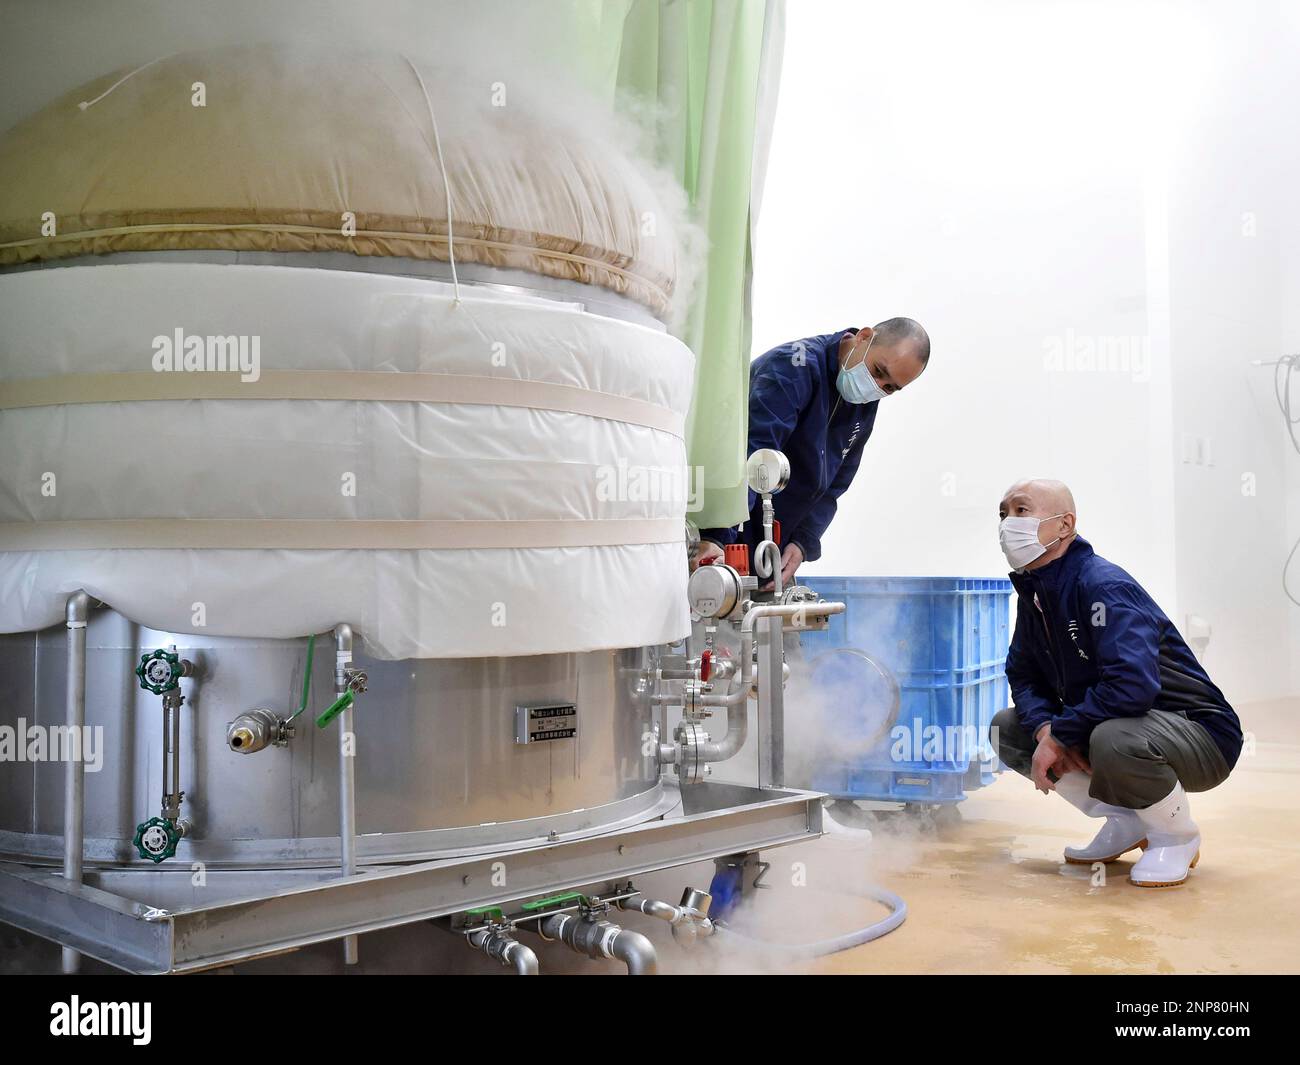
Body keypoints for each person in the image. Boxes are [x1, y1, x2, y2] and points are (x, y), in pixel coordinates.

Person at [989, 478, 1244, 887]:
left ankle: (1175, 836)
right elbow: (1022, 673)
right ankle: (1126, 821)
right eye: (1002, 514)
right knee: (1009, 729)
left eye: (1021, 510)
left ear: (1064, 524)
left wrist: (1060, 737)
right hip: (1126, 724)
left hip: (1200, 734)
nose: (1007, 523)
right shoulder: (1036, 595)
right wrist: (1042, 729)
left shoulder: (1102, 585)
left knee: (1115, 737)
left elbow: (1132, 686)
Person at [698, 318, 930, 587]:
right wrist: (716, 536)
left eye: (890, 388)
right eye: (878, 371)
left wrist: (802, 542)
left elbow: (834, 486)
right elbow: (753, 459)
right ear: (864, 337)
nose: (876, 386)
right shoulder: (793, 368)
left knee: (778, 627)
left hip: (772, 556)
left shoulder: (864, 404)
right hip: (727, 542)